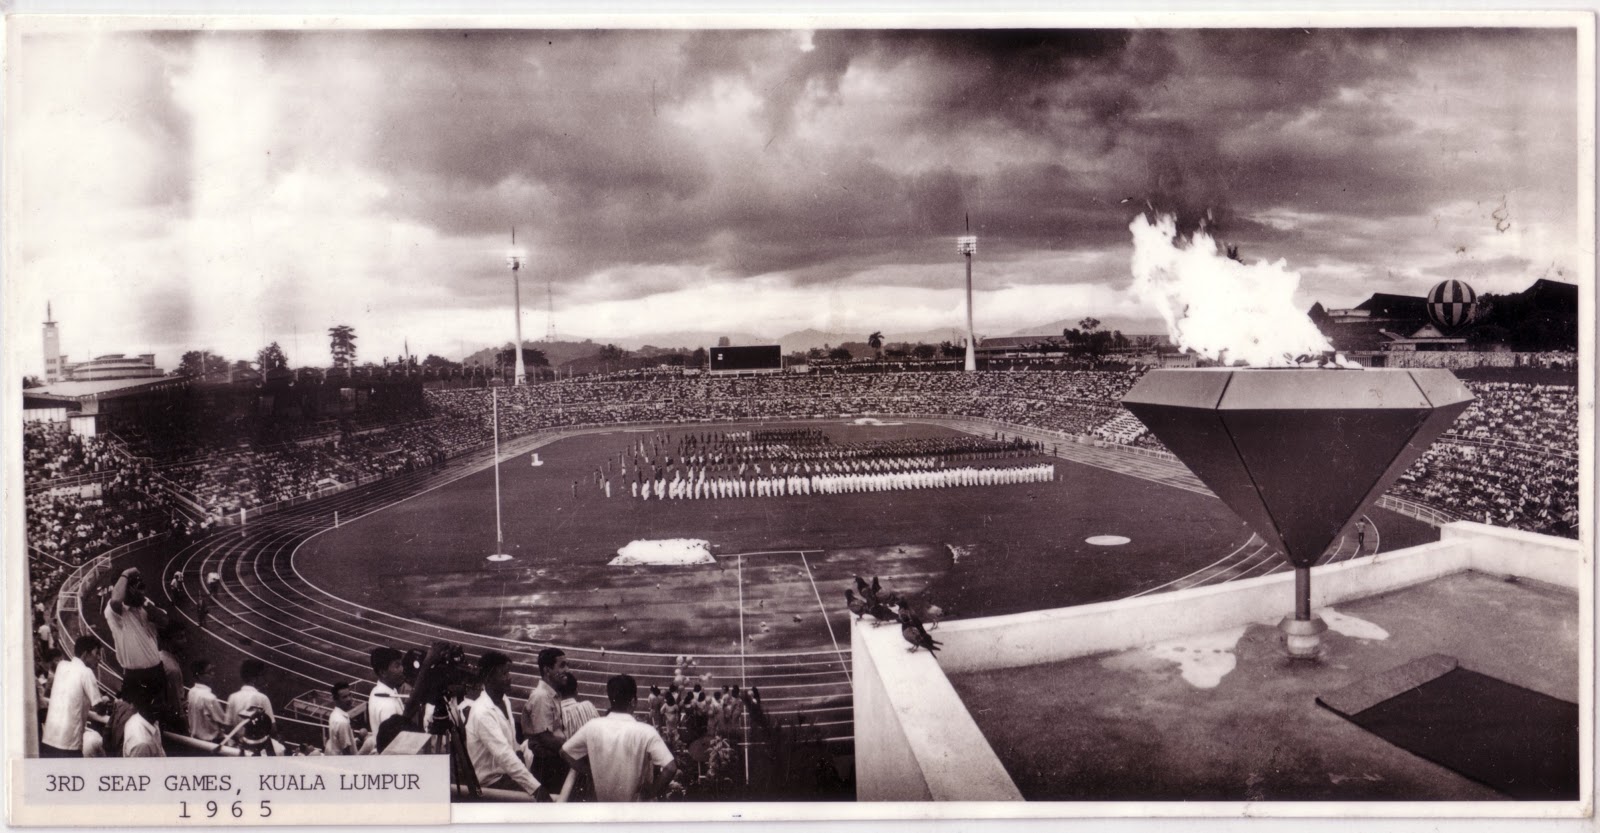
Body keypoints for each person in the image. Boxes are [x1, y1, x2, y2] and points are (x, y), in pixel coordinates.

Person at [561, 674, 677, 802]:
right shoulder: (646, 731)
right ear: (633, 701)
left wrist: (590, 772)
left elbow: (565, 752)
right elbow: (670, 768)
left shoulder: (592, 726)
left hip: (603, 806)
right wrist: (652, 792)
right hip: (634, 808)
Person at [464, 651, 549, 800]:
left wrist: (521, 751)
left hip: (507, 773)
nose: (509, 678)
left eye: (508, 672)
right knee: (540, 797)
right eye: (504, 673)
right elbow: (504, 755)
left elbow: (511, 745)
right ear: (488, 678)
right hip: (492, 783)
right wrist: (536, 788)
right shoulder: (482, 712)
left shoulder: (504, 699)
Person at [104, 567, 168, 712]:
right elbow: (115, 600)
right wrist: (125, 573)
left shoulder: (144, 604)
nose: (140, 591)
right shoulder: (115, 612)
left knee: (160, 716)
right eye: (131, 587)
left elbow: (164, 621)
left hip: (156, 671)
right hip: (135, 676)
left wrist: (144, 603)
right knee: (133, 716)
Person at [40, 637, 106, 758]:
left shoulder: (62, 666)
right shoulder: (86, 672)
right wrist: (106, 702)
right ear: (85, 654)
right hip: (69, 744)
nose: (99, 658)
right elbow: (99, 709)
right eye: (97, 653)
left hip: (49, 739)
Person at [520, 647, 569, 788]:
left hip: (550, 762)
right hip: (546, 765)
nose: (567, 670)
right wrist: (572, 748)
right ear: (547, 670)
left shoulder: (550, 695)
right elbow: (544, 738)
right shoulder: (542, 697)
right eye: (562, 665)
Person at [364, 647, 407, 754]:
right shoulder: (387, 706)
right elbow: (394, 746)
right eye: (397, 666)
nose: (402, 669)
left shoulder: (377, 690)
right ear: (383, 672)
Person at [186, 659, 228, 744]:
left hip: (195, 740)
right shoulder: (210, 698)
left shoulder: (191, 692)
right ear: (199, 676)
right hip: (211, 742)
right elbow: (224, 722)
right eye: (209, 672)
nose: (213, 674)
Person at [225, 659, 274, 728]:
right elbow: (272, 728)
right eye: (262, 675)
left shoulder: (232, 697)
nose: (264, 679)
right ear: (254, 678)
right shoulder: (263, 698)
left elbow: (227, 725)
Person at [325, 681, 360, 755]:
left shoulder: (334, 714)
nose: (349, 699)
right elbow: (346, 751)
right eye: (344, 697)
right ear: (336, 699)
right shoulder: (342, 722)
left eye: (350, 695)